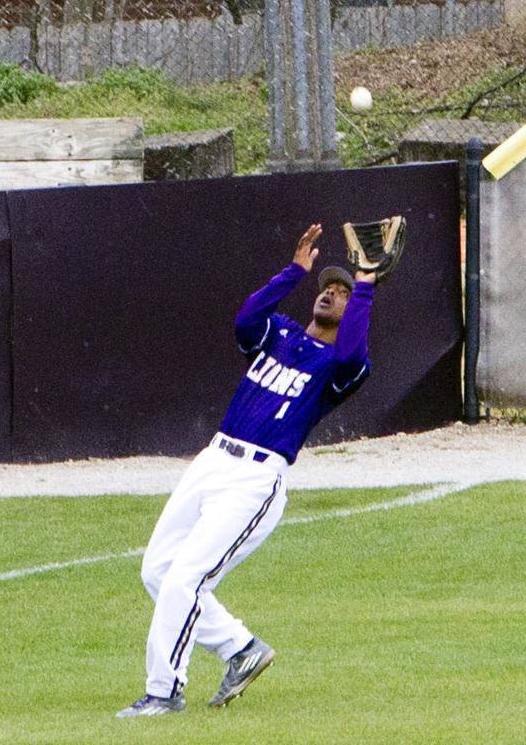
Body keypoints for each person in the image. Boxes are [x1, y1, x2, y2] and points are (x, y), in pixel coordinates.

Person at [118, 223, 376, 718]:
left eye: (341, 294)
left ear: (354, 312)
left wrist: (365, 286)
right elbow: (246, 319)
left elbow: (352, 354)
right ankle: (241, 648)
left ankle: (164, 691)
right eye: (327, 287)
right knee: (158, 571)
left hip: (254, 480)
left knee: (186, 579)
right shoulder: (279, 334)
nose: (330, 295)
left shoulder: (340, 367)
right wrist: (293, 273)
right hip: (213, 459)